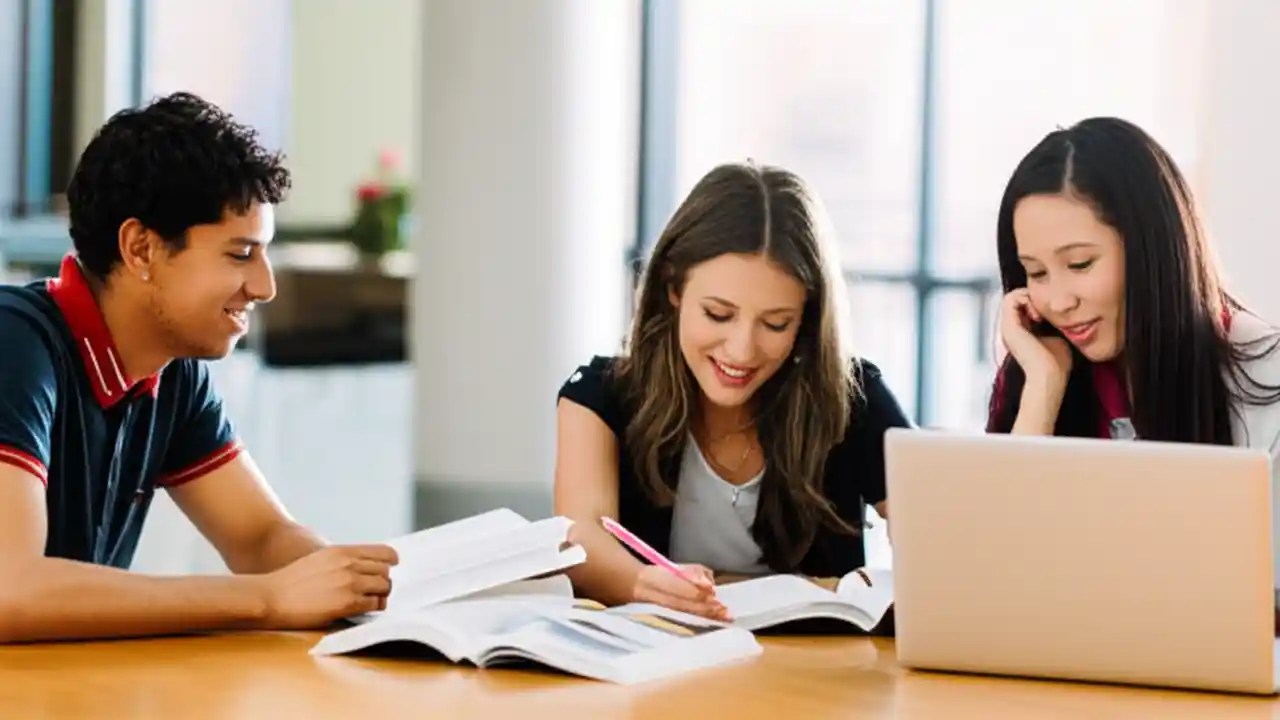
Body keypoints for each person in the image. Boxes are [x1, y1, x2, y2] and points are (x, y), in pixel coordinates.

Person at [0, 92, 396, 643]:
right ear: (140, 248)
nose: (265, 286)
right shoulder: (14, 343)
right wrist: (267, 599)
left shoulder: (172, 370)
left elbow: (261, 538)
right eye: (240, 255)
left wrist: (363, 592)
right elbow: (8, 589)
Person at [554, 161, 912, 620]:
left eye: (775, 323)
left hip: (818, 676)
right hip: (658, 668)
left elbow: (937, 538)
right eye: (719, 315)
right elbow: (581, 533)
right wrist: (643, 584)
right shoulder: (601, 398)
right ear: (673, 288)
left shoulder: (853, 397)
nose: (742, 351)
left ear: (806, 318)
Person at [988, 116, 1280, 449]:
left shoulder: (1266, 373)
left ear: (1149, 248)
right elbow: (1010, 501)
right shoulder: (1037, 368)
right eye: (1037, 272)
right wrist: (1043, 388)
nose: (1058, 303)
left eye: (1079, 264)